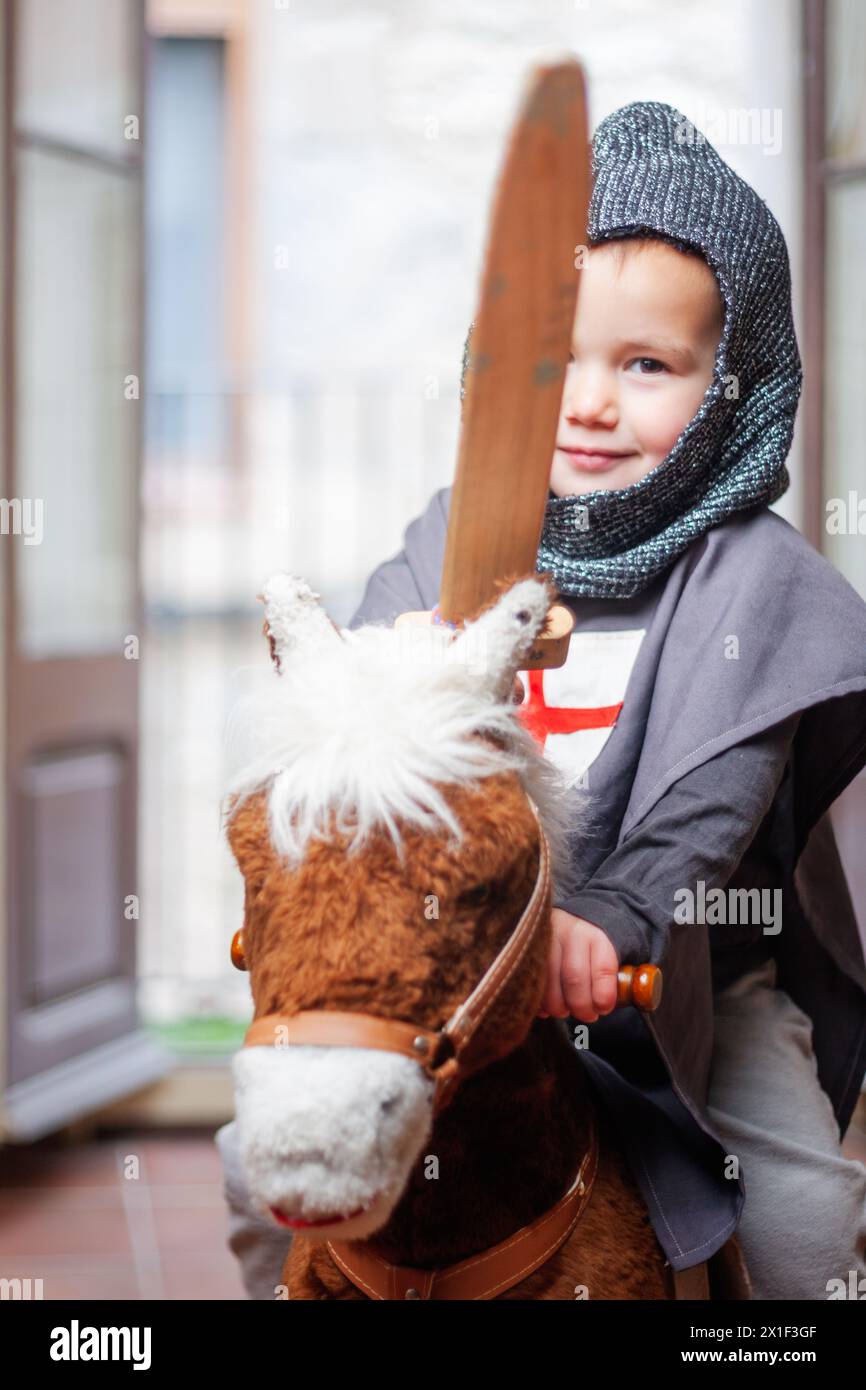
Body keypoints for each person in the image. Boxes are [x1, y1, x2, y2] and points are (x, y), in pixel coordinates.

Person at [216, 100, 866, 1300]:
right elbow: (364, 769)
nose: (589, 403)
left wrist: (606, 920)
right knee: (257, 1185)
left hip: (679, 981)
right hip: (456, 967)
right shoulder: (446, 549)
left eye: (647, 365)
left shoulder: (757, 584)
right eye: (552, 359)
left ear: (736, 385)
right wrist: (393, 677)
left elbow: (703, 808)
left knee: (797, 1222)